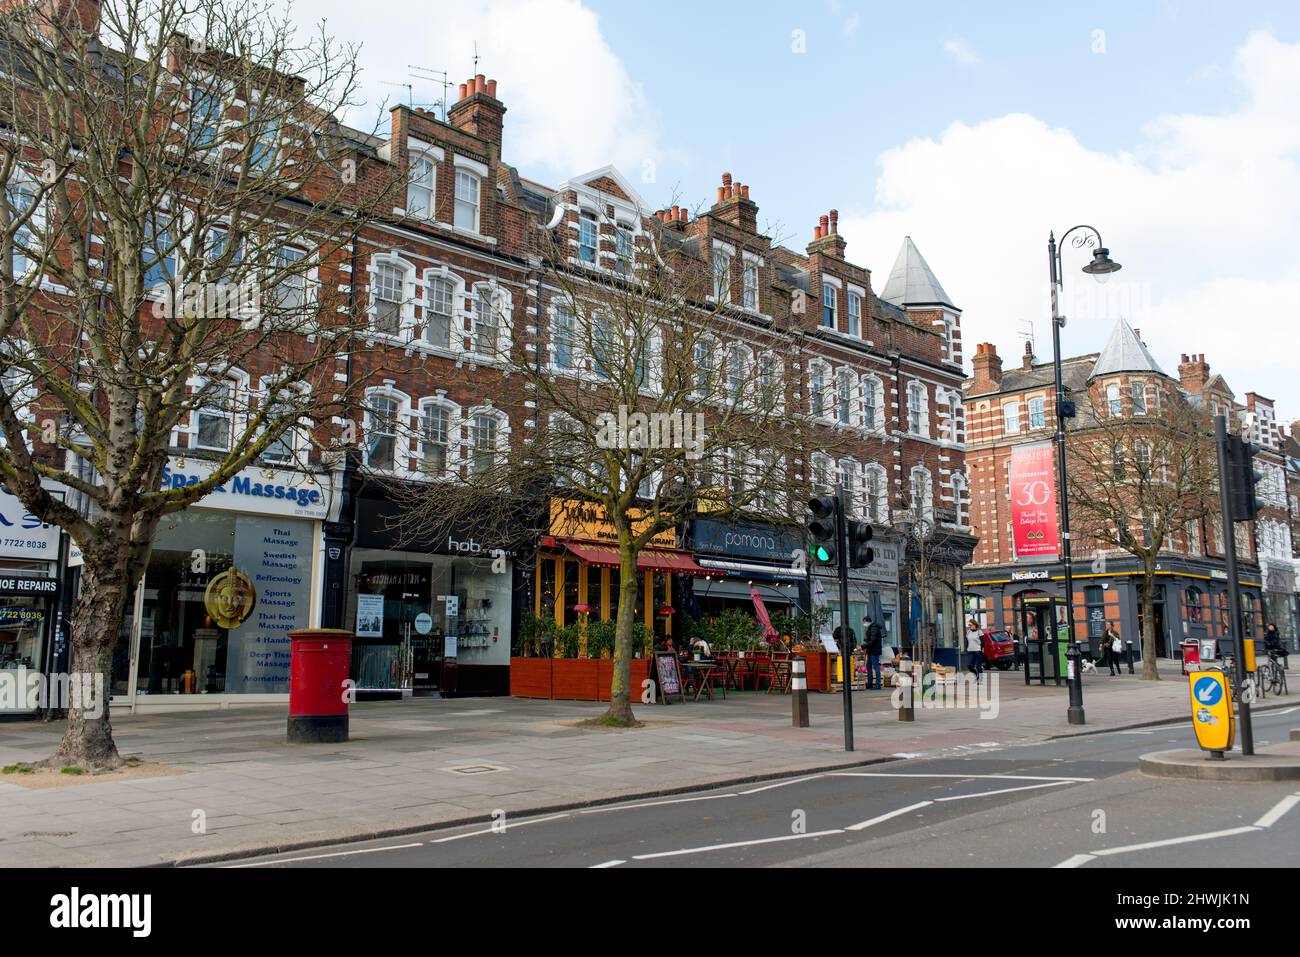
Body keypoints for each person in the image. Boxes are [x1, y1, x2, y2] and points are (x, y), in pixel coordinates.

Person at [863, 616, 884, 690]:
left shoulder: (874, 628)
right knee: (868, 666)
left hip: (874, 651)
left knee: (875, 667)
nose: (864, 624)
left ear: (867, 621)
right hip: (870, 650)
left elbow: (872, 641)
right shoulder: (871, 628)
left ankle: (877, 684)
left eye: (864, 622)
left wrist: (862, 646)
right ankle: (870, 683)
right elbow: (869, 639)